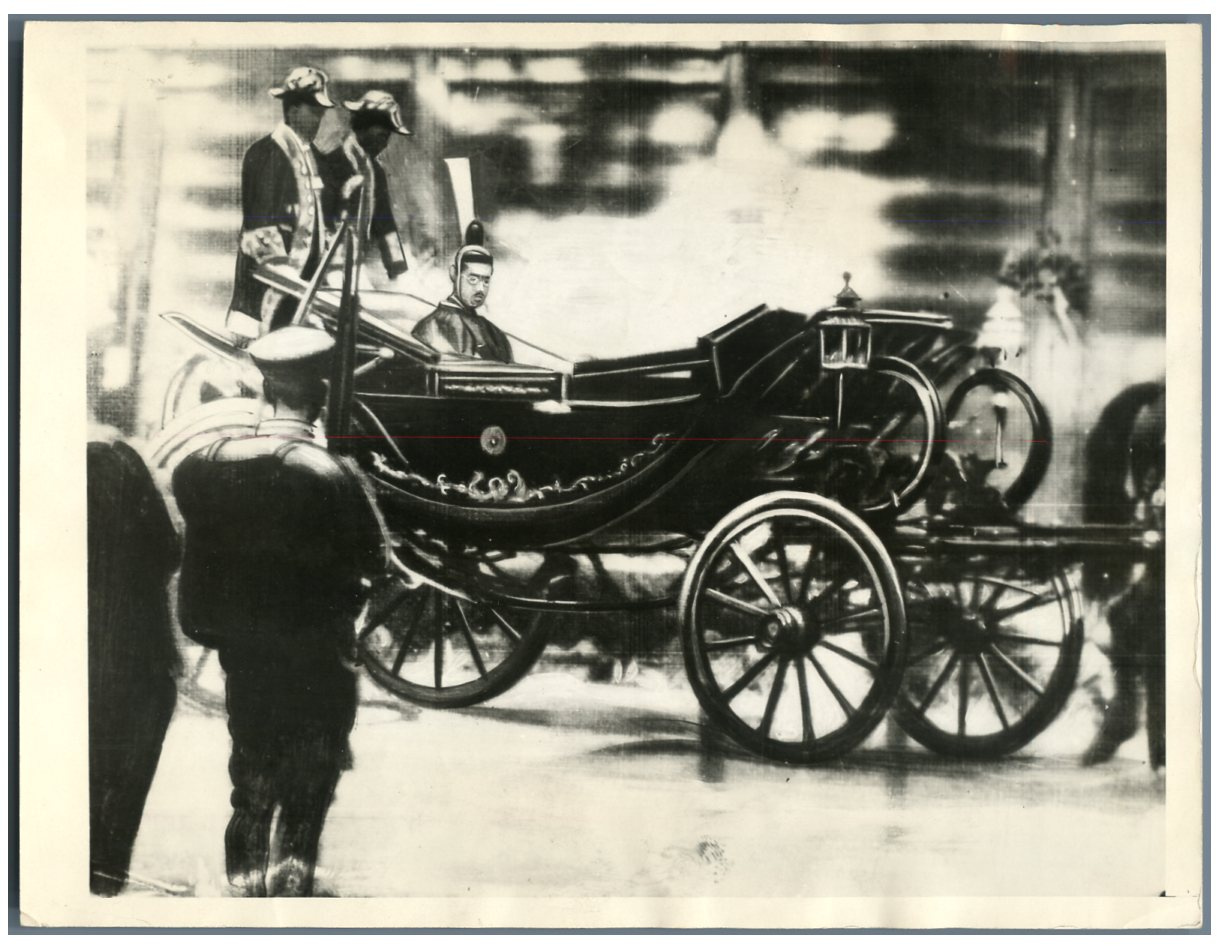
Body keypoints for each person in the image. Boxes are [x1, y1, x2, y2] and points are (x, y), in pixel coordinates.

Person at [172, 326, 387, 897]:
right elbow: (376, 562)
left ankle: (243, 896)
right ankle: (291, 902)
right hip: (319, 666)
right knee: (307, 791)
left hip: (245, 664)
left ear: (265, 392)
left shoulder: (204, 466)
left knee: (250, 785)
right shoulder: (333, 475)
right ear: (319, 399)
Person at [87, 438, 181, 896]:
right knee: (125, 794)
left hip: (81, 666)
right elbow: (168, 552)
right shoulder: (123, 464)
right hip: (143, 663)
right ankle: (107, 876)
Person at [229, 67, 335, 333]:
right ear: (294, 109)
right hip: (269, 289)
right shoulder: (266, 154)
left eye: (321, 113)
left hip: (303, 291)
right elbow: (259, 231)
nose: (319, 119)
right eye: (314, 111)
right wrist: (287, 280)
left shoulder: (314, 158)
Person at [320, 89, 411, 280]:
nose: (384, 142)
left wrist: (398, 269)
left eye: (387, 136)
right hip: (328, 266)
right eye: (380, 134)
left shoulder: (375, 171)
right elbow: (323, 221)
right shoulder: (332, 163)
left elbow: (384, 223)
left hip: (357, 265)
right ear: (362, 125)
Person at [411, 222, 513, 362]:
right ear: (454, 274)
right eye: (473, 279)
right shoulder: (431, 327)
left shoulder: (495, 333)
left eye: (486, 281)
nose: (480, 289)